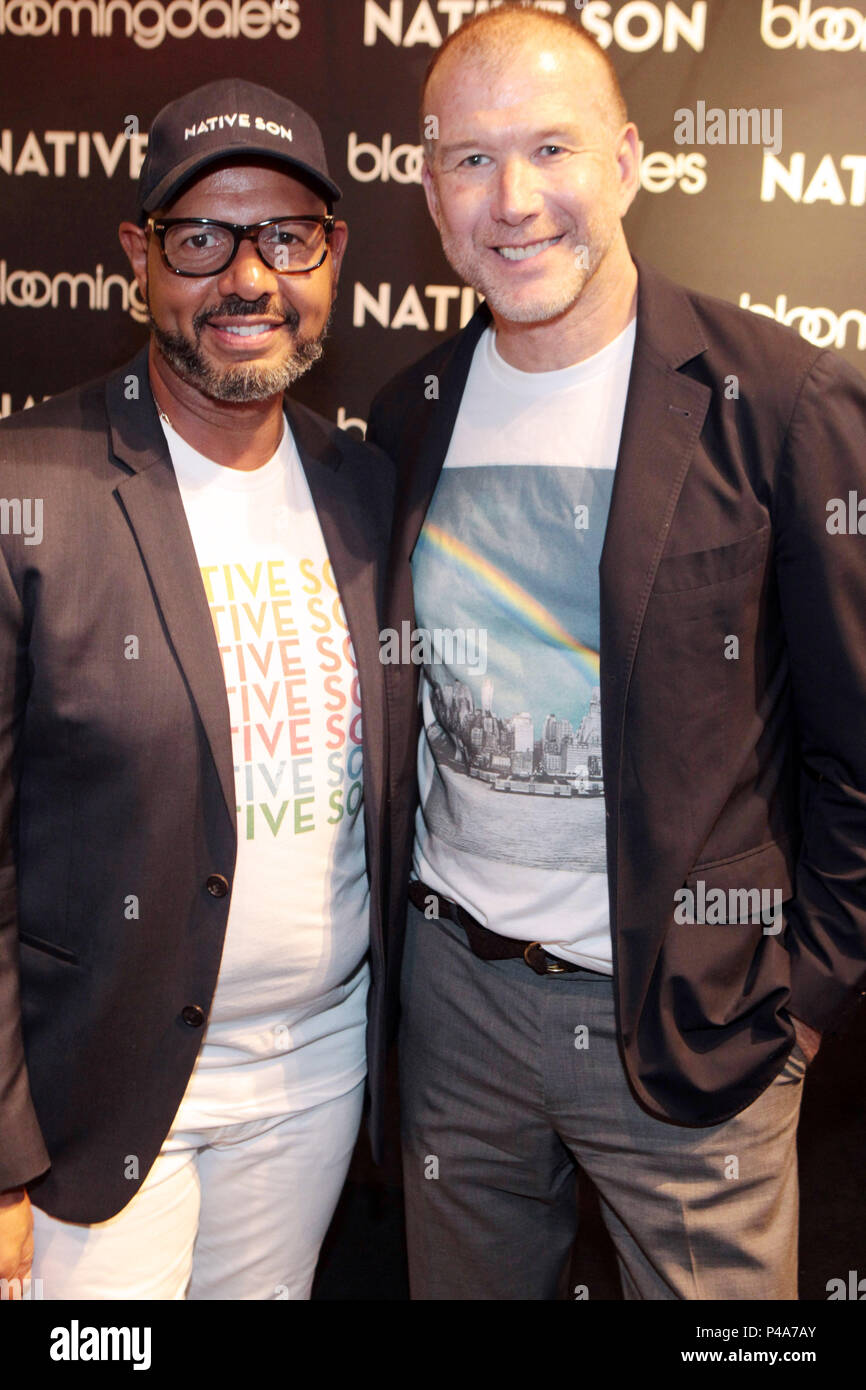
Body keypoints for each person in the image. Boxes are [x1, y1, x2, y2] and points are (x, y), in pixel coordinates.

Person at [368, 6, 866, 1300]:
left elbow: (857, 752)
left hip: (694, 1024)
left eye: (550, 148)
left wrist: (797, 1005)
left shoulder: (784, 401)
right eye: (469, 160)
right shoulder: (409, 410)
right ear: (428, 193)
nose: (513, 199)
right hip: (452, 1012)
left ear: (631, 161)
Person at [0, 77, 394, 1300]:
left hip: (315, 1076)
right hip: (90, 1101)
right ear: (139, 254)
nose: (246, 278)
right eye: (201, 238)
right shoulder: (30, 494)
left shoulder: (367, 489)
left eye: (284, 236)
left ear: (330, 256)